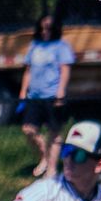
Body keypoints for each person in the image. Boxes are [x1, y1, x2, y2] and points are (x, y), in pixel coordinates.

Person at [18, 15, 75, 178]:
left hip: (52, 94)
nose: (45, 32)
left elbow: (65, 69)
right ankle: (44, 156)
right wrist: (23, 91)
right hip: (34, 95)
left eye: (48, 28)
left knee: (55, 132)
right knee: (28, 130)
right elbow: (28, 70)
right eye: (42, 28)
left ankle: (51, 169)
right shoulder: (34, 46)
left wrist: (61, 92)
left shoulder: (61, 46)